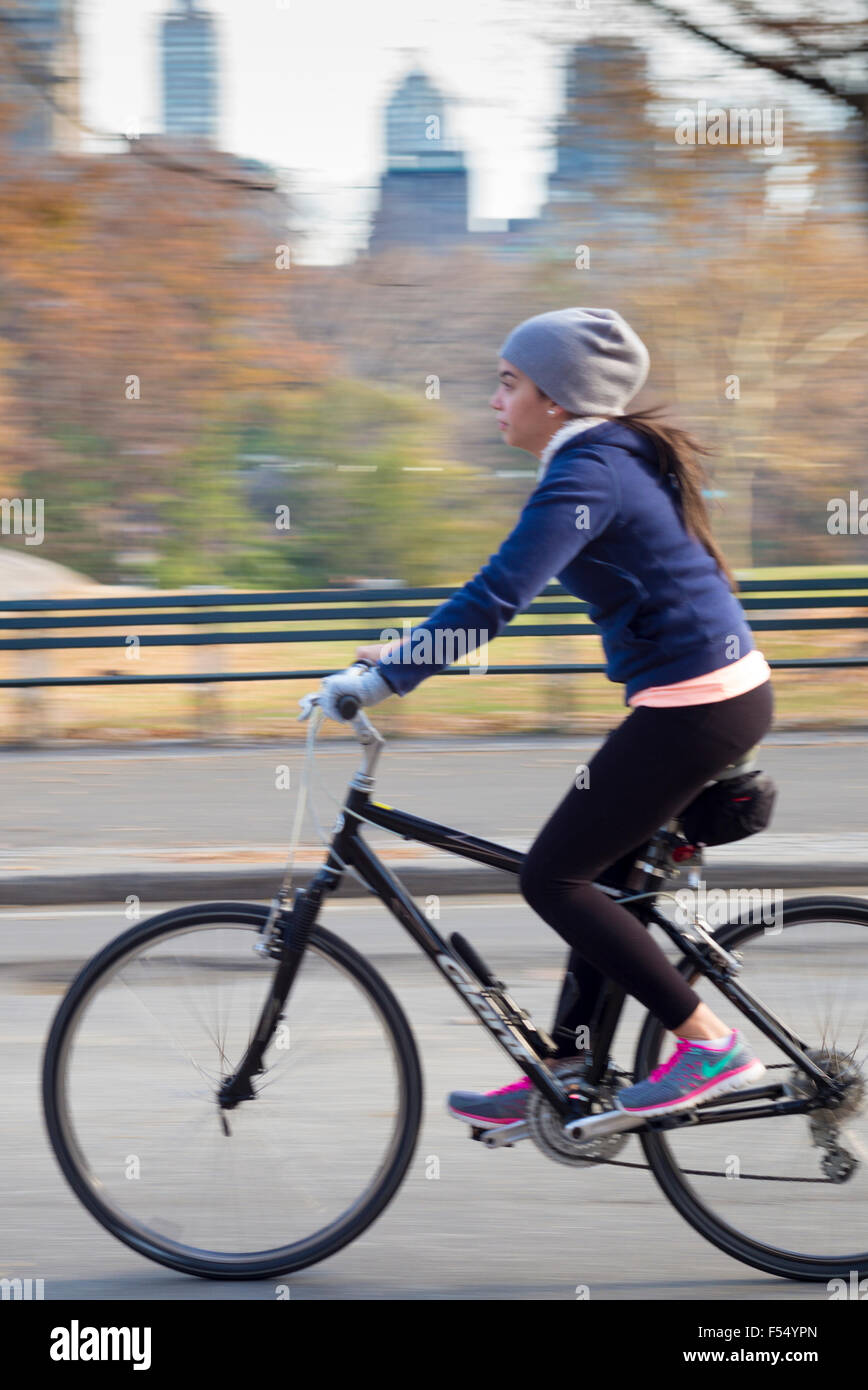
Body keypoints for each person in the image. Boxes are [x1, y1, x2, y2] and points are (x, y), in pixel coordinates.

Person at [310, 306, 774, 1124]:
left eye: (508, 382)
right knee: (595, 885)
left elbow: (494, 600)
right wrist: (394, 657)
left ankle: (710, 1046)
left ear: (555, 399)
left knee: (552, 877)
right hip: (705, 700)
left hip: (699, 707)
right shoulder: (604, 459)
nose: (495, 399)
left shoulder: (589, 473)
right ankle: (569, 1069)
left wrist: (385, 679)